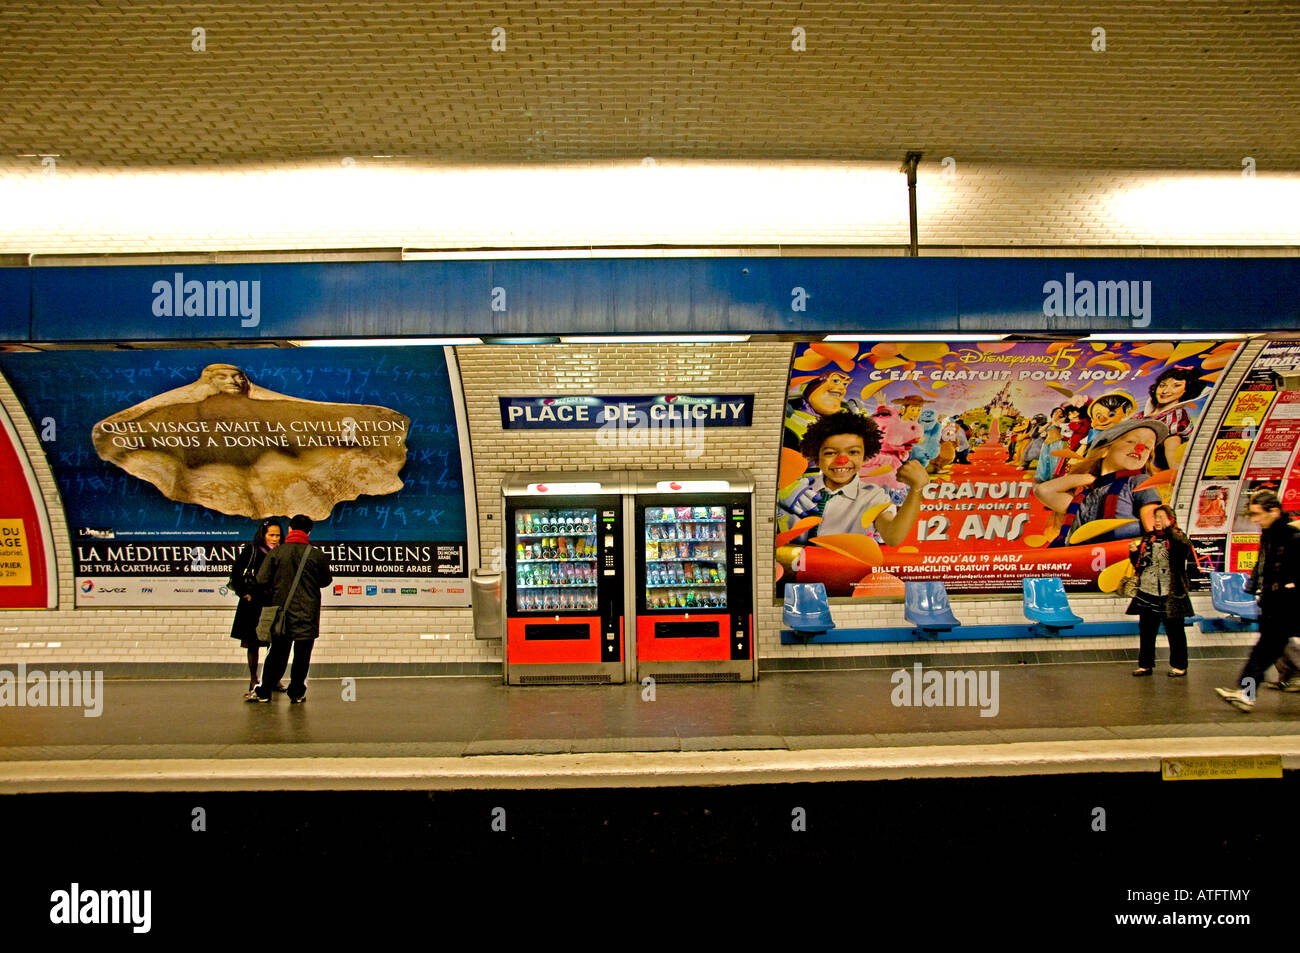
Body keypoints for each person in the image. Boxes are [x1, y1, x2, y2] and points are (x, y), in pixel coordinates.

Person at [777, 411, 928, 569]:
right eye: (830, 453)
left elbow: (893, 536)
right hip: (793, 573)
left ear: (865, 456)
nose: (842, 461)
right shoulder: (798, 489)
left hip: (842, 576)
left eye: (853, 452)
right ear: (816, 456)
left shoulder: (872, 496)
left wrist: (916, 490)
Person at [1215, 491, 1300, 712]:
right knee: (1264, 652)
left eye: (1257, 514)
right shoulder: (1270, 534)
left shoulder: (1292, 536)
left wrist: (1291, 585)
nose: (1254, 519)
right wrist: (1258, 588)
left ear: (1274, 511)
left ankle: (1247, 693)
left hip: (1287, 604)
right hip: (1274, 603)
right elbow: (1264, 566)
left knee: (1264, 651)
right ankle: (1247, 693)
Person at [1035, 418, 1169, 547]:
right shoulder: (1084, 496)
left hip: (1120, 555)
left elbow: (1152, 520)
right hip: (1083, 559)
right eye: (1130, 441)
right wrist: (1088, 478)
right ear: (1105, 450)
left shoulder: (1139, 481)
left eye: (1147, 447)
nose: (1139, 448)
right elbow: (1043, 491)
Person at [247, 514, 333, 704]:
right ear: (309, 532)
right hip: (308, 613)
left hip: (282, 613)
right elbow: (326, 581)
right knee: (302, 655)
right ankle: (297, 692)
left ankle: (264, 692)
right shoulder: (316, 555)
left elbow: (261, 580)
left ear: (291, 529)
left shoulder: (277, 553)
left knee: (277, 653)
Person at [1126, 505, 1194, 677]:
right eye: (1155, 517)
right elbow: (1139, 564)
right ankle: (1145, 665)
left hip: (1170, 593)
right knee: (1147, 631)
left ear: (1170, 519)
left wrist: (1169, 528)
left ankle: (1179, 666)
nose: (1157, 521)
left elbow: (1183, 551)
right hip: (1147, 591)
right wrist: (1134, 553)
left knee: (1175, 631)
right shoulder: (1149, 538)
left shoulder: (1178, 537)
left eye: (1161, 517)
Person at [229, 517, 286, 698]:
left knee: (275, 643)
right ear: (263, 535)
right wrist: (243, 592)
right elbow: (236, 572)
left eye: (277, 535)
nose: (275, 538)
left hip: (273, 602)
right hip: (252, 604)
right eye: (271, 535)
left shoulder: (283, 552)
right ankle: (254, 678)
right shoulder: (252, 550)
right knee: (253, 643)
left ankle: (272, 679)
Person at [1136, 364, 1210, 470]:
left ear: (1187, 390)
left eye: (1176, 385)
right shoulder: (1141, 415)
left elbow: (1174, 462)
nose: (1165, 391)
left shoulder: (1176, 417)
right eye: (1162, 385)